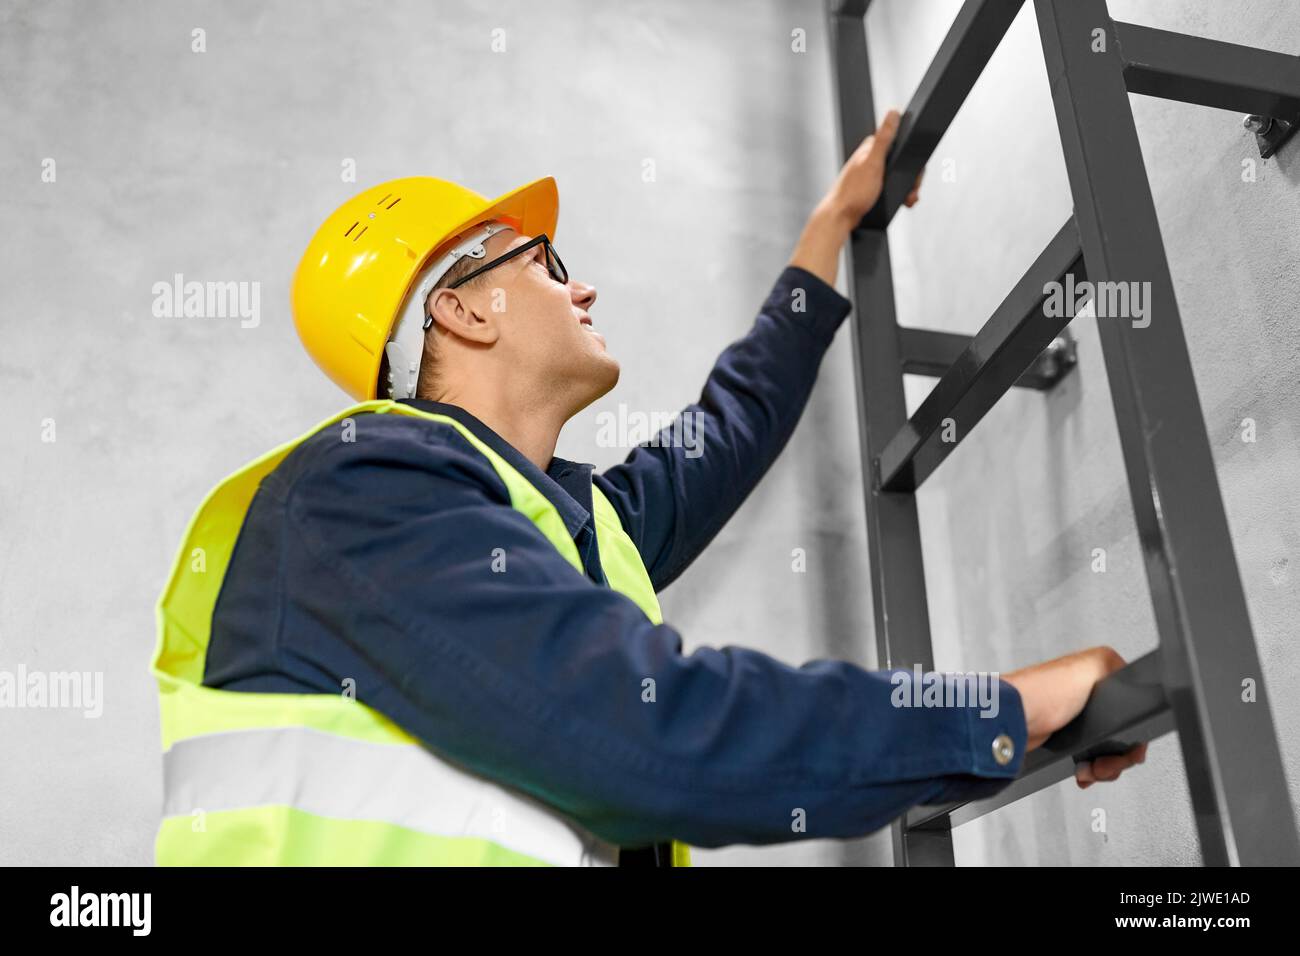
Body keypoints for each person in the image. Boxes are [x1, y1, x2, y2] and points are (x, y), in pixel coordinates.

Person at [150, 109, 1144, 867]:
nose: (581, 288)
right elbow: (651, 730)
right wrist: (1000, 706)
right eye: (546, 265)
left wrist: (830, 222)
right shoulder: (360, 491)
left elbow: (731, 423)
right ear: (461, 310)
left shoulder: (565, 525)